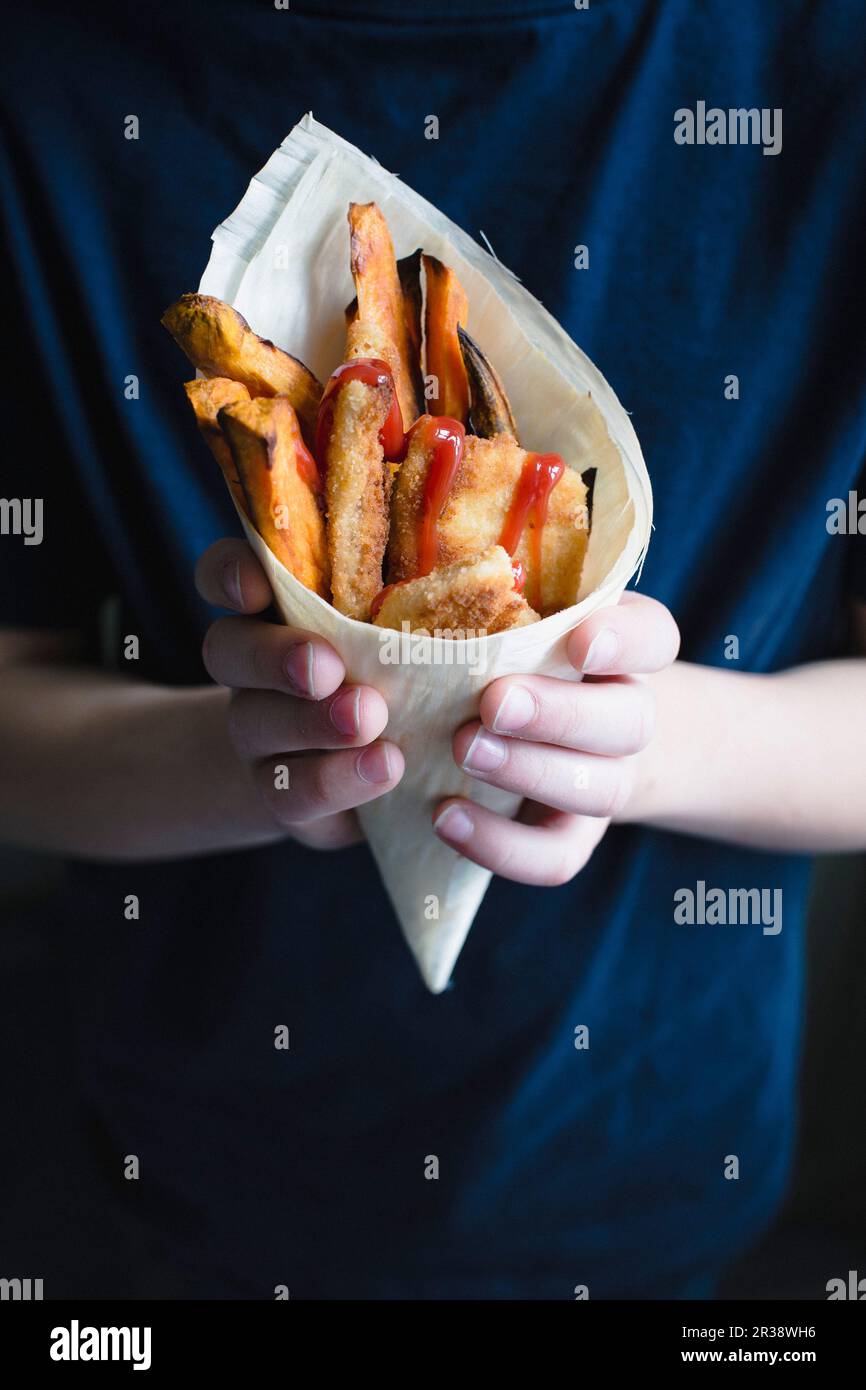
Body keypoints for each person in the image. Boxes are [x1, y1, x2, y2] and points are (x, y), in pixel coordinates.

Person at [1, 0, 864, 1299]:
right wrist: (239, 753)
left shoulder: (823, 68)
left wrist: (642, 741)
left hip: (649, 1176)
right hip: (176, 1183)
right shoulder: (45, 86)